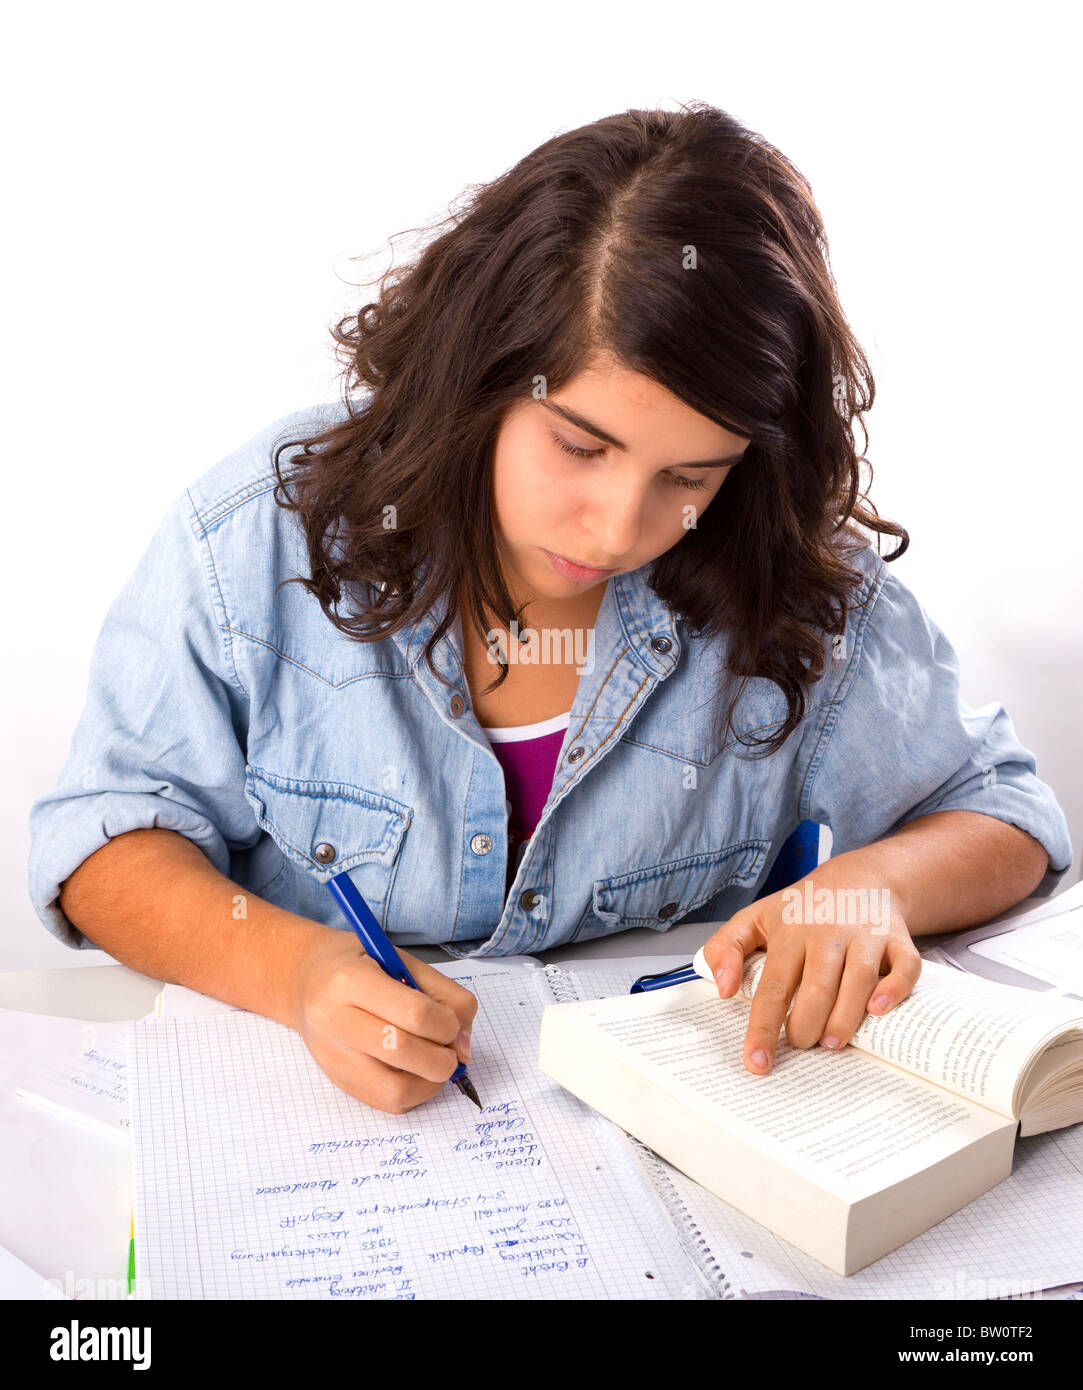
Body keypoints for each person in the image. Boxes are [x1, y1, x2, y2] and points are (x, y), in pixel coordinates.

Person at [27, 103, 1072, 1116]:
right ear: (477, 377)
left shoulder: (789, 569)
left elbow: (1006, 812)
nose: (621, 528)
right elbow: (102, 843)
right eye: (581, 445)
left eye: (692, 474)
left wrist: (864, 888)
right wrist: (298, 972)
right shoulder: (258, 537)